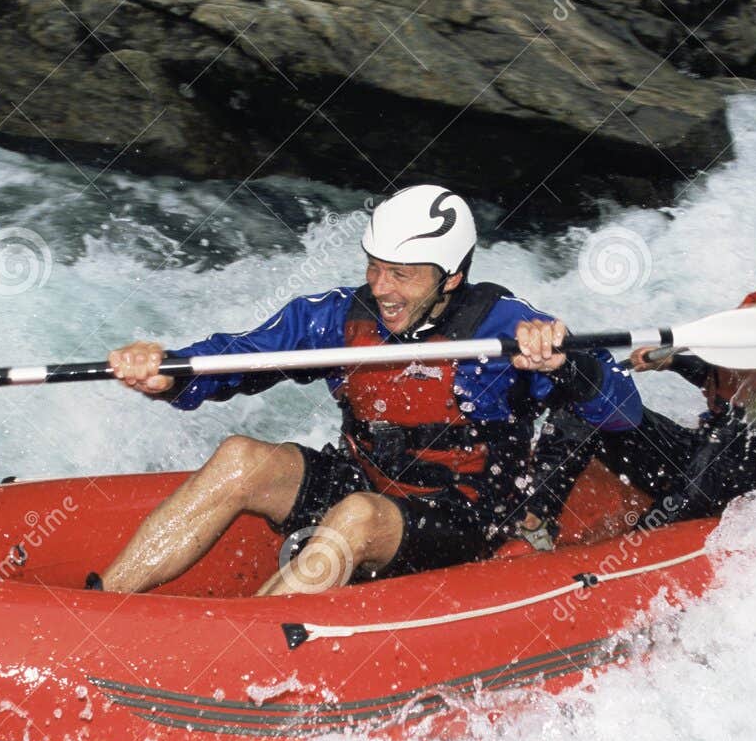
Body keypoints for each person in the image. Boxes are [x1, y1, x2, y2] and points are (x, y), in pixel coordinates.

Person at [96, 185, 642, 594]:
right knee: (241, 458)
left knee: (357, 514)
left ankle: (248, 646)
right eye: (375, 267)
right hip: (369, 480)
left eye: (403, 274)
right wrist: (171, 372)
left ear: (450, 277)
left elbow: (624, 410)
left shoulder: (505, 328)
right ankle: (103, 608)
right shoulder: (339, 318)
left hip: (467, 520)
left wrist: (565, 366)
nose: (382, 288)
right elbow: (242, 357)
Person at [523, 198, 756, 533]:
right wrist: (673, 361)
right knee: (589, 404)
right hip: (706, 447)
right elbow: (724, 378)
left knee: (731, 437)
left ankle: (649, 539)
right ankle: (534, 522)